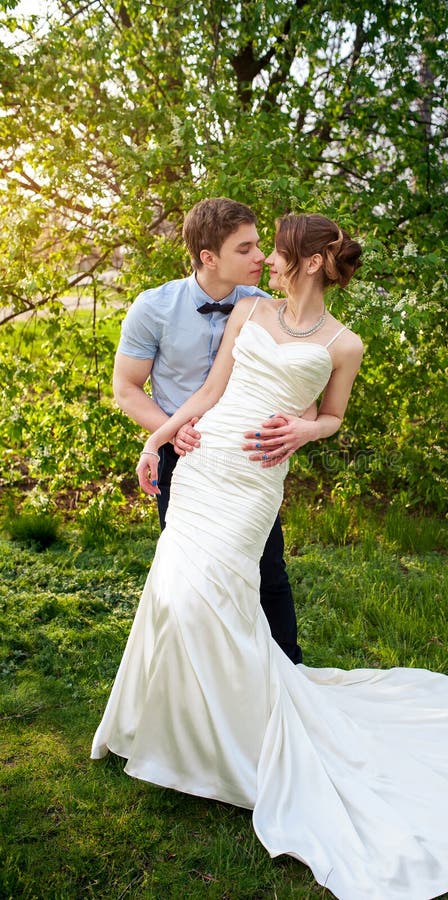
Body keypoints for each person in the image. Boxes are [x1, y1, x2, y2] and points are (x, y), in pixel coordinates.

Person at [92, 214, 448, 900]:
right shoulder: (250, 311)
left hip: (252, 482)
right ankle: (172, 731)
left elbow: (332, 416)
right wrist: (157, 443)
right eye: (256, 249)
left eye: (273, 251)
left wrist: (305, 429)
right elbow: (209, 394)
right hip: (207, 465)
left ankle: (239, 744)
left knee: (219, 600)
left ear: (304, 263)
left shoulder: (343, 343)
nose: (265, 259)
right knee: (178, 595)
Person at [112, 197, 302, 663]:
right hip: (183, 455)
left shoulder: (266, 309)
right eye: (246, 248)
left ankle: (288, 675)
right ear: (208, 257)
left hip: (245, 457)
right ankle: (186, 679)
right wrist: (169, 432)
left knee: (267, 568)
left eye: (259, 244)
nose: (261, 256)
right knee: (185, 573)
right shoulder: (153, 308)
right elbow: (127, 388)